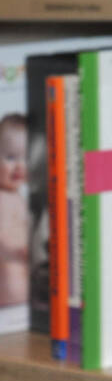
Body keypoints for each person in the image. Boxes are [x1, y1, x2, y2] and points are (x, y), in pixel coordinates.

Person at [0, 112, 28, 309]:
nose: (19, 165)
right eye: (10, 157)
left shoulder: (20, 197)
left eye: (25, 158)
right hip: (7, 294)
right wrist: (14, 251)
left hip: (25, 299)